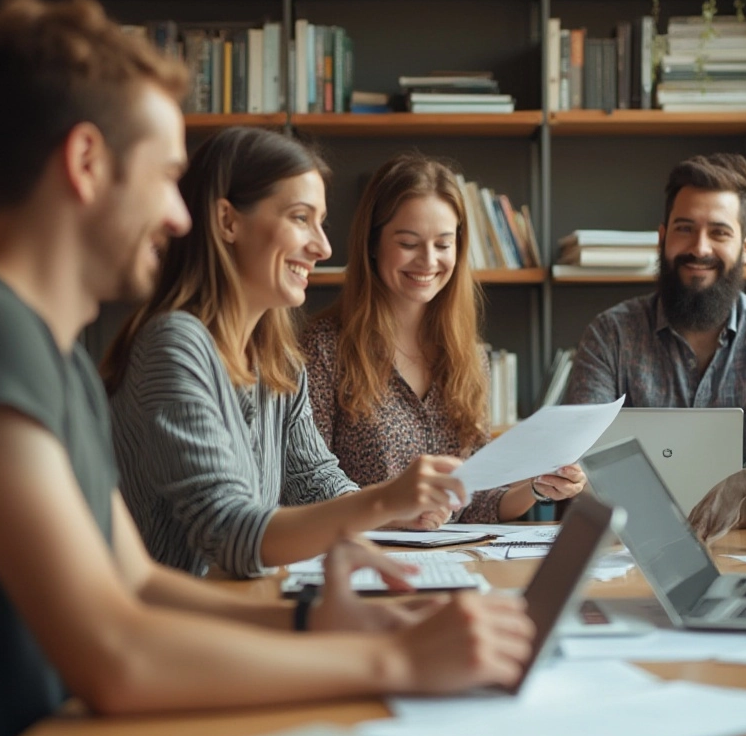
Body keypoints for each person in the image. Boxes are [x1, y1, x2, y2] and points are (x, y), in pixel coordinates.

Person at [0, 0, 532, 736]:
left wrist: (318, 630)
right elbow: (116, 655)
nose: (176, 215)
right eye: (166, 178)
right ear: (86, 163)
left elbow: (136, 586)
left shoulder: (47, 354)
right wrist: (397, 663)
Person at [104, 129, 471, 577]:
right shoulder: (175, 345)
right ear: (228, 221)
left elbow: (314, 481)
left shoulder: (276, 357)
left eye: (321, 222)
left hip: (232, 610)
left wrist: (394, 512)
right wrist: (383, 499)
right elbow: (230, 535)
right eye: (301, 218)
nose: (323, 247)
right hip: (174, 628)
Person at [302, 153, 585, 525]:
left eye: (443, 244)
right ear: (372, 243)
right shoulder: (324, 349)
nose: (428, 260)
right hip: (364, 561)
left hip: (454, 563)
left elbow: (475, 500)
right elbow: (306, 484)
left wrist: (537, 486)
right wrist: (394, 514)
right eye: (408, 243)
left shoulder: (468, 355)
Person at [563, 152, 746, 537]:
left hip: (745, 547)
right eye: (685, 229)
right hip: (630, 544)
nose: (699, 248)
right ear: (663, 237)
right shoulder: (609, 334)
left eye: (719, 232)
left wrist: (740, 492)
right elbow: (583, 460)